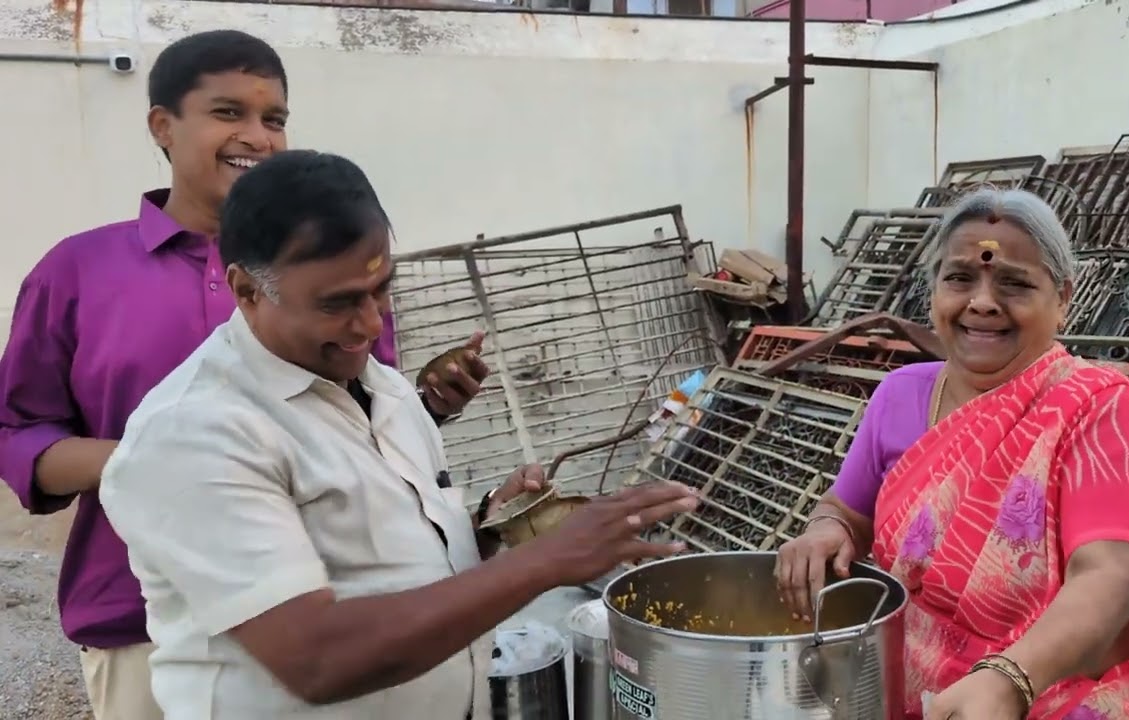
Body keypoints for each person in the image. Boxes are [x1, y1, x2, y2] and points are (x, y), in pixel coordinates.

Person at [96, 149, 698, 719]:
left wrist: (487, 527)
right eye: (337, 304)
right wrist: (548, 561)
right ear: (248, 290)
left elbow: (388, 557)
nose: (368, 324)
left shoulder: (378, 385)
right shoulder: (194, 432)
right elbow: (316, 658)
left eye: (381, 288)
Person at [0, 30, 485, 720]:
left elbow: (357, 419)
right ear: (162, 126)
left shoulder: (335, 267)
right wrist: (160, 460)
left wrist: (426, 406)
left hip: (332, 609)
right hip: (138, 621)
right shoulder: (78, 272)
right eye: (229, 112)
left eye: (275, 118)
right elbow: (18, 433)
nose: (257, 136)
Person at [774, 188, 1129, 720]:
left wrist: (1010, 680)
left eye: (1014, 283)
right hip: (906, 691)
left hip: (1048, 696)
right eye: (960, 278)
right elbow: (845, 511)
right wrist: (824, 532)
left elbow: (1108, 574)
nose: (982, 302)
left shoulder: (1099, 409)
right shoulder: (900, 395)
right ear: (934, 289)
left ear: (1063, 298)